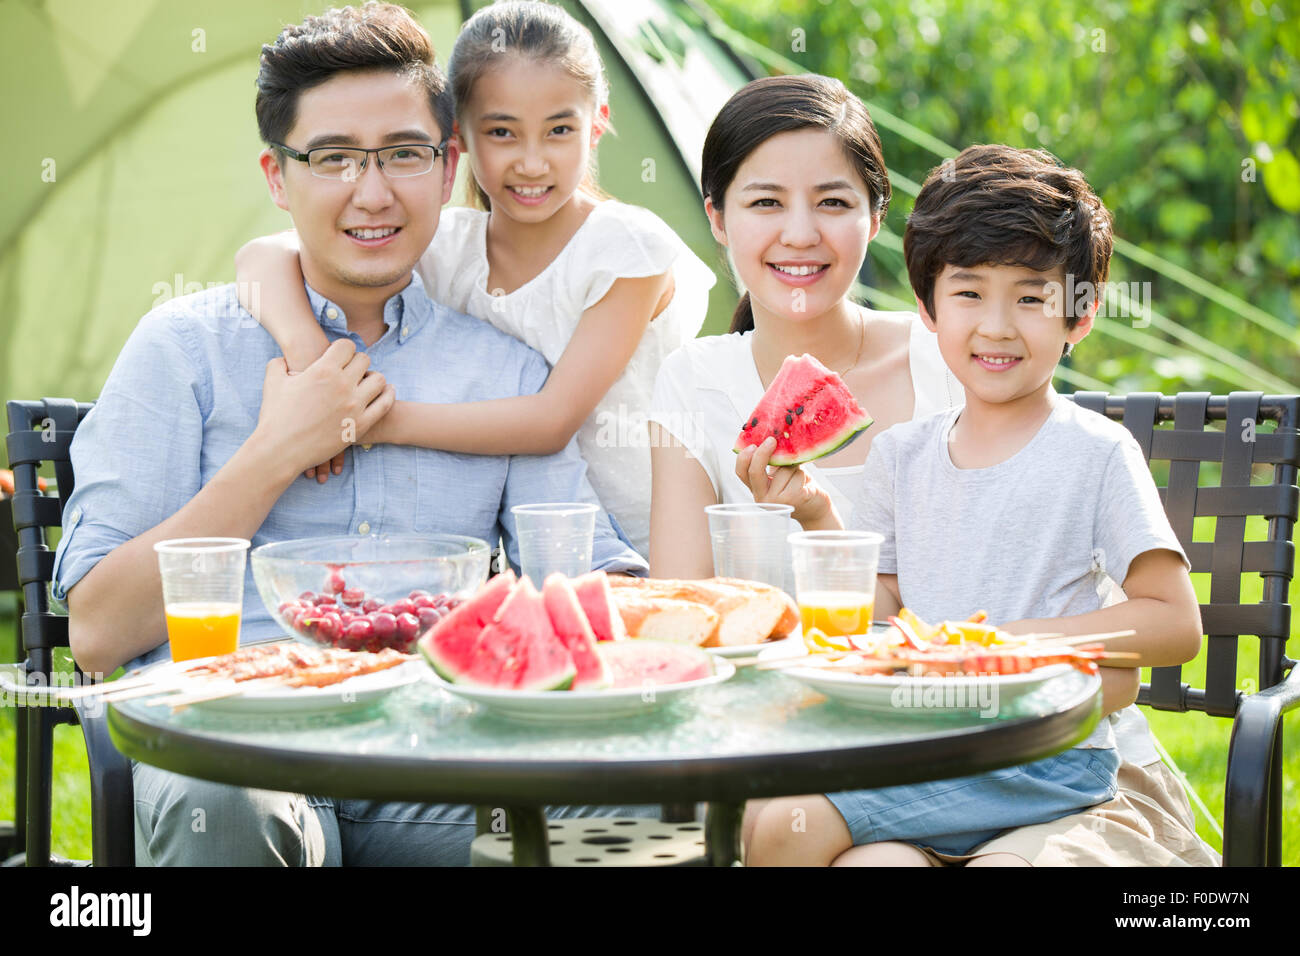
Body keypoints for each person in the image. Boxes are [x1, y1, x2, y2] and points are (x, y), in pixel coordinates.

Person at [52, 2, 648, 866]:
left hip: (443, 768)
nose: (373, 193)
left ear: (447, 170)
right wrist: (277, 449)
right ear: (276, 175)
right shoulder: (183, 349)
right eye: (333, 158)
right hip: (233, 749)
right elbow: (99, 634)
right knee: (223, 798)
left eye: (404, 154)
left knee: (636, 828)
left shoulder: (506, 373)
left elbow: (589, 577)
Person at [741, 144, 1205, 866]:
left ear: (1079, 316)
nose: (996, 325)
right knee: (799, 837)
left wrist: (1003, 649)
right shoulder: (902, 456)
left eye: (1030, 296)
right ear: (926, 307)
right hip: (923, 752)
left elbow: (1173, 624)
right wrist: (814, 513)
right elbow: (880, 614)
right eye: (968, 292)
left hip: (1042, 764)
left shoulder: (1096, 453)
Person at [232, 0, 715, 559]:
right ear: (457, 141)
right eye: (503, 132)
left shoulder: (625, 248)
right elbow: (260, 258)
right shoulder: (448, 246)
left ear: (597, 124)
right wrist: (316, 361)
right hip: (541, 543)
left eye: (559, 130)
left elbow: (549, 422)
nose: (532, 163)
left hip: (661, 541)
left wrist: (363, 419)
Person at [646, 75, 962, 582]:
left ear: (876, 217)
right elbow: (687, 604)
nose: (799, 235)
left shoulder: (948, 359)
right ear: (718, 219)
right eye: (766, 202)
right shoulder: (690, 382)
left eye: (832, 202)